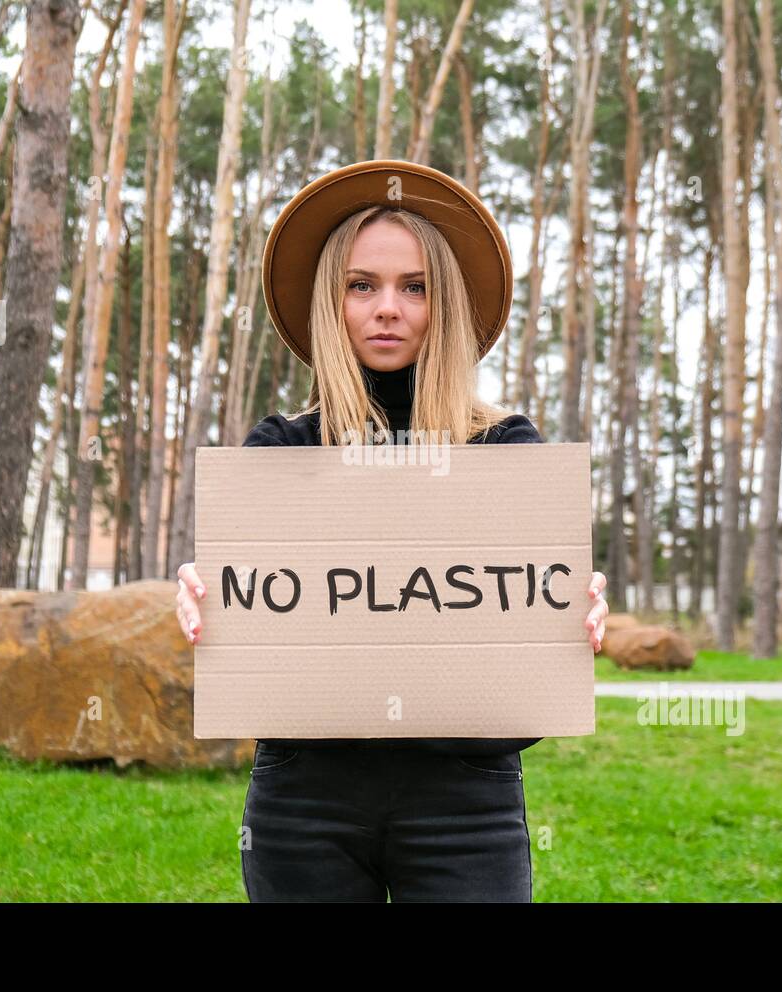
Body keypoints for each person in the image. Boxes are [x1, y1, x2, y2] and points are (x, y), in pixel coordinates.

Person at [175, 159, 609, 902]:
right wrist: (202, 595)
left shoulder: (506, 449)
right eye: (361, 285)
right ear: (330, 303)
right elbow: (250, 614)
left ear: (446, 306)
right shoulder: (280, 449)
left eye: (415, 287)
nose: (387, 308)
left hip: (466, 804)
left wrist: (569, 612)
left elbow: (529, 647)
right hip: (303, 801)